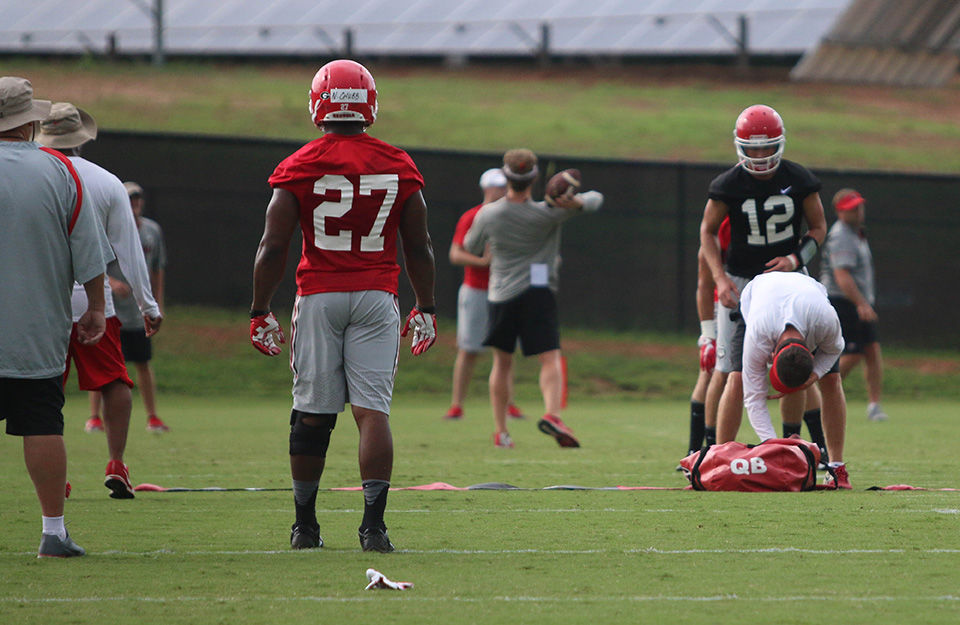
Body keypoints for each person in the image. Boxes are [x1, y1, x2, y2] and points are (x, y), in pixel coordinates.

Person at [250, 60, 436, 553]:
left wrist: (259, 309)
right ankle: (373, 528)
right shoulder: (397, 162)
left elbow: (273, 246)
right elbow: (419, 247)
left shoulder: (301, 164)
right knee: (372, 413)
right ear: (370, 104)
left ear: (317, 104)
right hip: (377, 296)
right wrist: (428, 305)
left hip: (320, 294)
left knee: (311, 412)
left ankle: (305, 526)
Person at [0, 77, 110, 556]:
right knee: (42, 424)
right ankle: (52, 533)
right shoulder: (59, 170)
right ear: (30, 122)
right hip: (35, 330)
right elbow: (88, 253)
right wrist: (98, 308)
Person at [37, 103, 163, 500]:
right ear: (80, 138)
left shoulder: (31, 177)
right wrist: (149, 306)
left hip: (43, 302)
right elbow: (130, 252)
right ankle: (116, 463)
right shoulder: (108, 182)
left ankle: (56, 473)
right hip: (96, 301)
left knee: (44, 389)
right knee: (114, 380)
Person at [699, 104, 829, 454]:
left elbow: (818, 228)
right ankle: (718, 453)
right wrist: (721, 279)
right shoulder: (727, 185)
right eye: (752, 147)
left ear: (780, 143)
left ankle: (790, 443)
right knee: (731, 370)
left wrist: (795, 258)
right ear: (740, 146)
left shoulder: (799, 179)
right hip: (742, 283)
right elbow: (707, 232)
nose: (759, 155)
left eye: (766, 146)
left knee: (794, 363)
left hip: (789, 281)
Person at [464, 148, 602, 448]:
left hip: (501, 292)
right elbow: (596, 200)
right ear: (535, 177)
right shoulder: (549, 212)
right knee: (549, 357)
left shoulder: (489, 213)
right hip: (538, 290)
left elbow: (469, 246)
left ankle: (501, 432)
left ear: (506, 176)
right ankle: (552, 414)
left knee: (502, 363)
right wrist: (574, 201)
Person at [737, 271, 850, 488]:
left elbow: (836, 348)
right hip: (756, 292)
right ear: (770, 356)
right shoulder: (758, 335)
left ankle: (837, 467)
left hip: (808, 290)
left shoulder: (825, 320)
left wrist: (815, 375)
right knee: (735, 376)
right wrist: (773, 447)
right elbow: (753, 398)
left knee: (833, 380)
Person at [90, 181, 169, 433]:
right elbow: (91, 264)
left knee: (143, 362)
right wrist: (111, 283)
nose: (134, 204)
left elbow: (157, 269)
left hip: (137, 314)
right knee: (103, 364)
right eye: (129, 199)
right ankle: (94, 417)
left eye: (137, 199)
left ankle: (153, 416)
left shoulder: (151, 231)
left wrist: (156, 303)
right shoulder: (106, 229)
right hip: (111, 311)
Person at [445, 167, 524, 422]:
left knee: (505, 351)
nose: (502, 191)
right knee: (469, 350)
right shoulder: (472, 217)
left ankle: (509, 404)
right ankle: (456, 405)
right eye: (497, 186)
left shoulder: (513, 216)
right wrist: (483, 261)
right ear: (486, 188)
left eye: (505, 186)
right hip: (477, 291)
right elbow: (455, 254)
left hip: (506, 292)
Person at [819, 189, 888, 422]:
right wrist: (861, 303)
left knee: (871, 351)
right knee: (853, 352)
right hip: (843, 301)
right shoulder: (842, 236)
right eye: (851, 209)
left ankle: (874, 405)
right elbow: (842, 275)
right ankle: (819, 396)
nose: (858, 212)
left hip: (857, 301)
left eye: (859, 206)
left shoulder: (856, 233)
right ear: (840, 212)